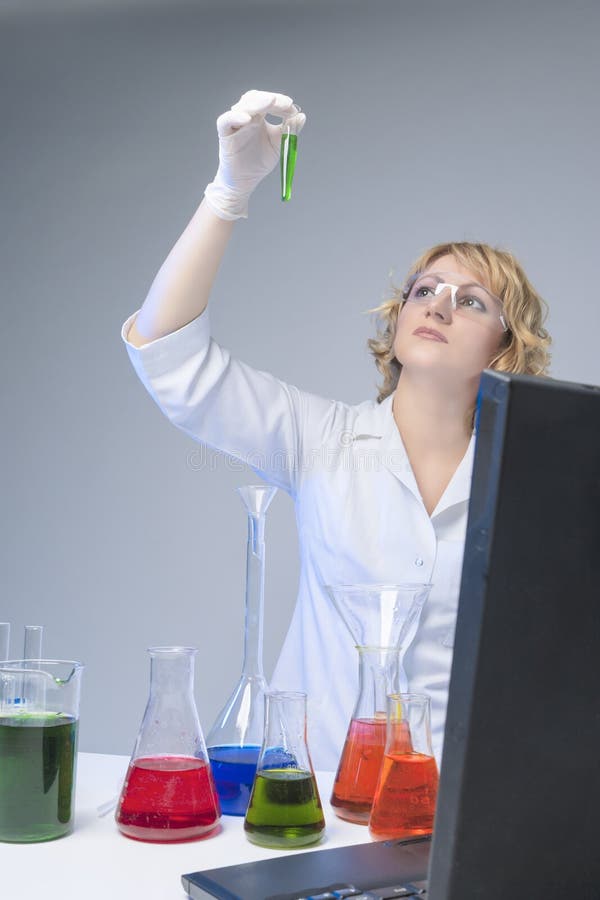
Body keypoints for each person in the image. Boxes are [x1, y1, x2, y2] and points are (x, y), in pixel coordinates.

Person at [121, 90, 551, 771]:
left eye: (471, 302)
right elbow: (167, 355)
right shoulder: (316, 437)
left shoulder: (536, 479)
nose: (439, 304)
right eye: (424, 289)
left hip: (466, 813)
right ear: (398, 316)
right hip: (317, 807)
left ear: (505, 347)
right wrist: (229, 192)